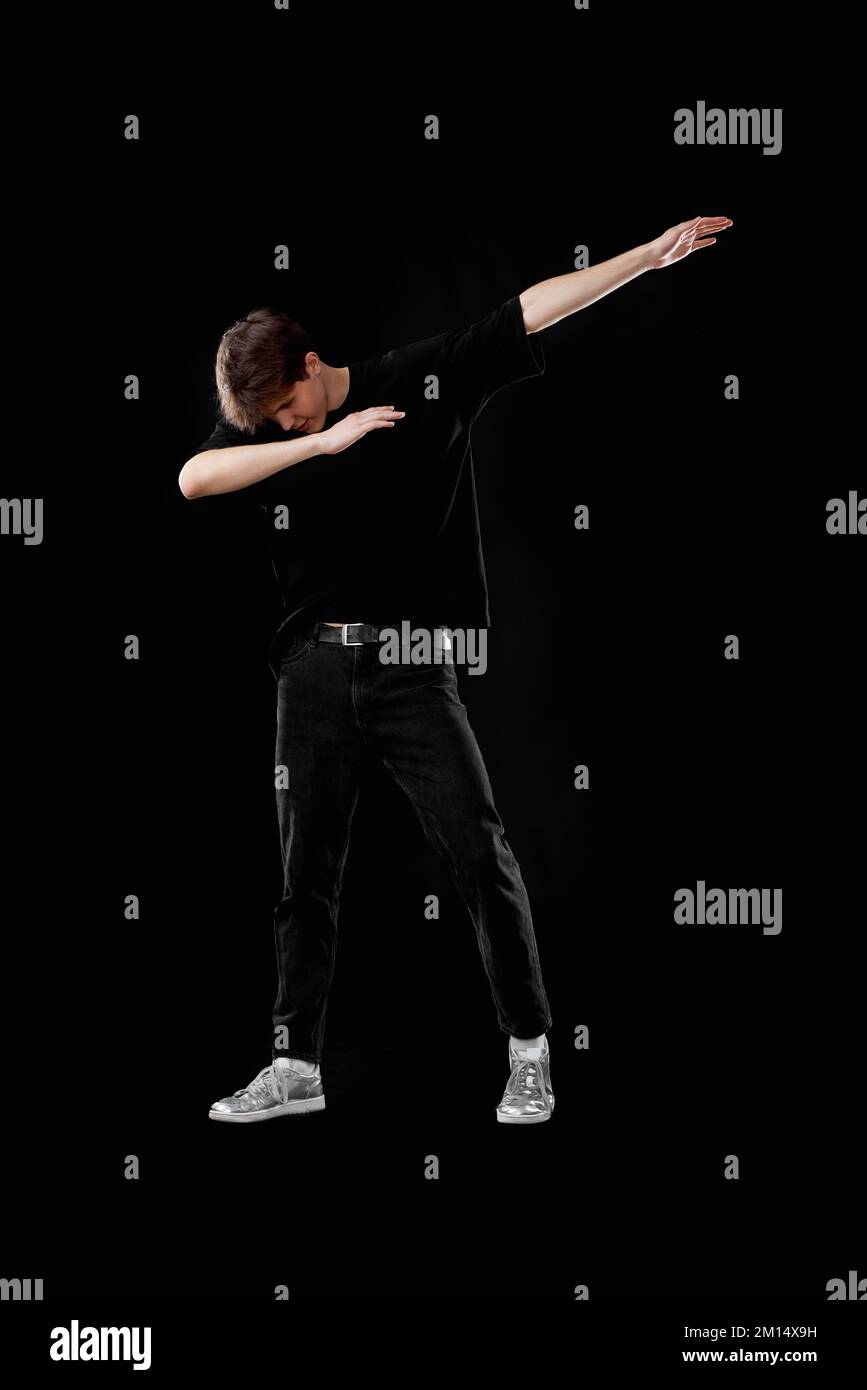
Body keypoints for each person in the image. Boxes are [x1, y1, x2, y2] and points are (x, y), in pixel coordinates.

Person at [179, 215, 732, 1126]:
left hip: (410, 667)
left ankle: (528, 1053)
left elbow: (526, 313)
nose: (281, 424)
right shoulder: (283, 433)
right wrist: (315, 445)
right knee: (300, 874)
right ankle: (294, 1067)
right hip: (310, 672)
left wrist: (644, 257)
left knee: (481, 855)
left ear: (310, 364)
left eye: (289, 408)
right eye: (269, 422)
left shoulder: (423, 379)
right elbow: (195, 478)